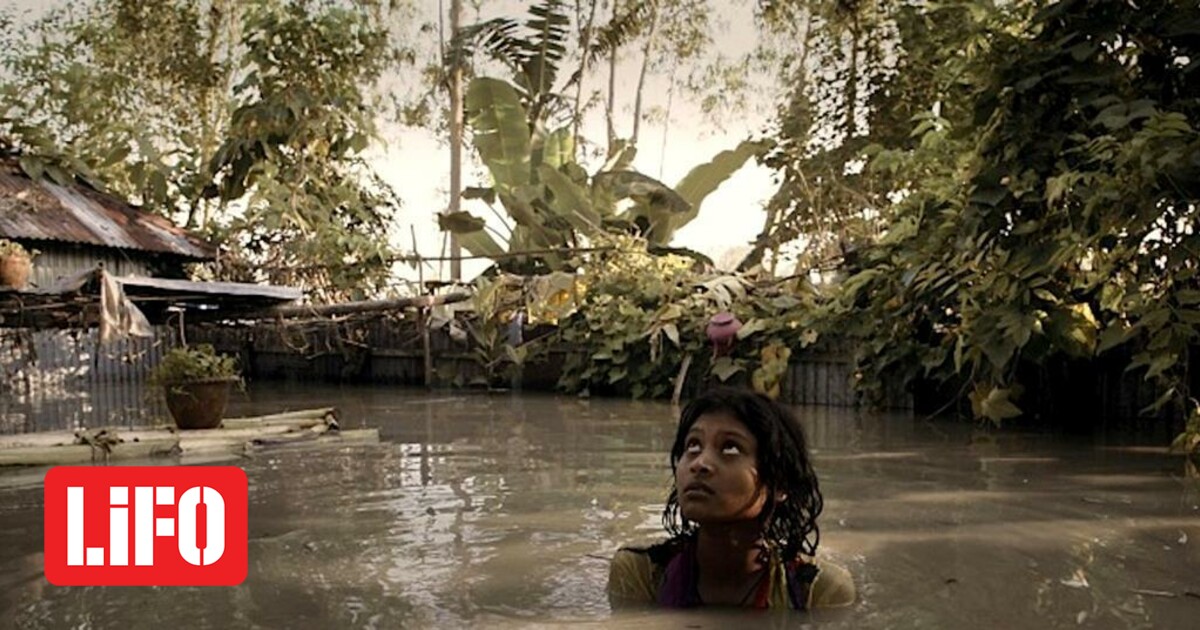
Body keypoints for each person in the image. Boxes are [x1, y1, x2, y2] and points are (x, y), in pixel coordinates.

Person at [607, 387, 856, 610]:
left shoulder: (816, 592)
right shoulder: (642, 574)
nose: (700, 463)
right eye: (693, 445)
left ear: (779, 484)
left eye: (730, 448)